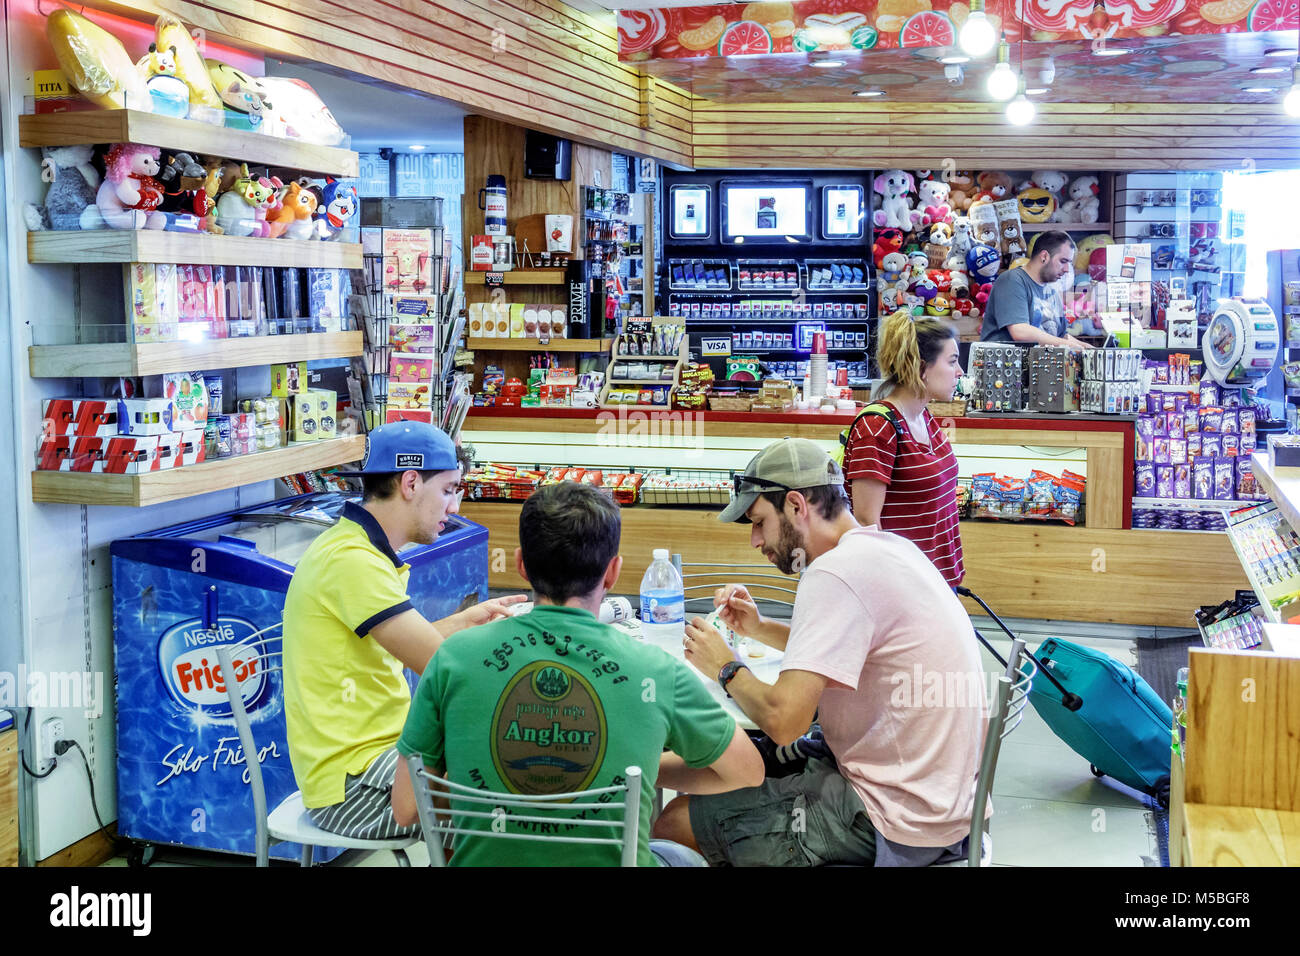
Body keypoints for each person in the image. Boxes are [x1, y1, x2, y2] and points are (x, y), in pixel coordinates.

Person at [652, 438, 989, 866]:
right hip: (945, 806)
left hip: (892, 818)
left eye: (759, 522)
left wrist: (725, 666)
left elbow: (784, 722)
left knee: (675, 822)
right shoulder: (887, 548)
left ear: (796, 505)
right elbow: (851, 648)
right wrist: (758, 628)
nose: (755, 540)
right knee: (737, 767)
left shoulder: (834, 572)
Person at [391, 481, 763, 866]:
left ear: (521, 565)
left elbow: (406, 807)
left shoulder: (452, 658)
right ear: (613, 572)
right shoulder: (656, 671)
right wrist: (642, 770)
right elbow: (748, 771)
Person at [282, 420, 525, 841]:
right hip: (353, 785)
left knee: (503, 786)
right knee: (509, 804)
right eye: (448, 490)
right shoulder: (352, 560)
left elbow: (395, 647)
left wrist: (464, 622)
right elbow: (444, 667)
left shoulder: (354, 545)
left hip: (383, 755)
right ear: (410, 483)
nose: (454, 507)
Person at [842, 309, 965, 587]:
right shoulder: (877, 427)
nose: (960, 371)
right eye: (952, 361)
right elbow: (866, 522)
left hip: (938, 579)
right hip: (905, 585)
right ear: (921, 367)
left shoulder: (924, 417)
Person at [980, 230, 1091, 349]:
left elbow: (1061, 336)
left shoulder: (1052, 292)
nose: (1067, 269)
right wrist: (1070, 346)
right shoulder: (1011, 281)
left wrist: (1086, 348)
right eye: (1063, 261)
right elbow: (1020, 331)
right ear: (1044, 257)